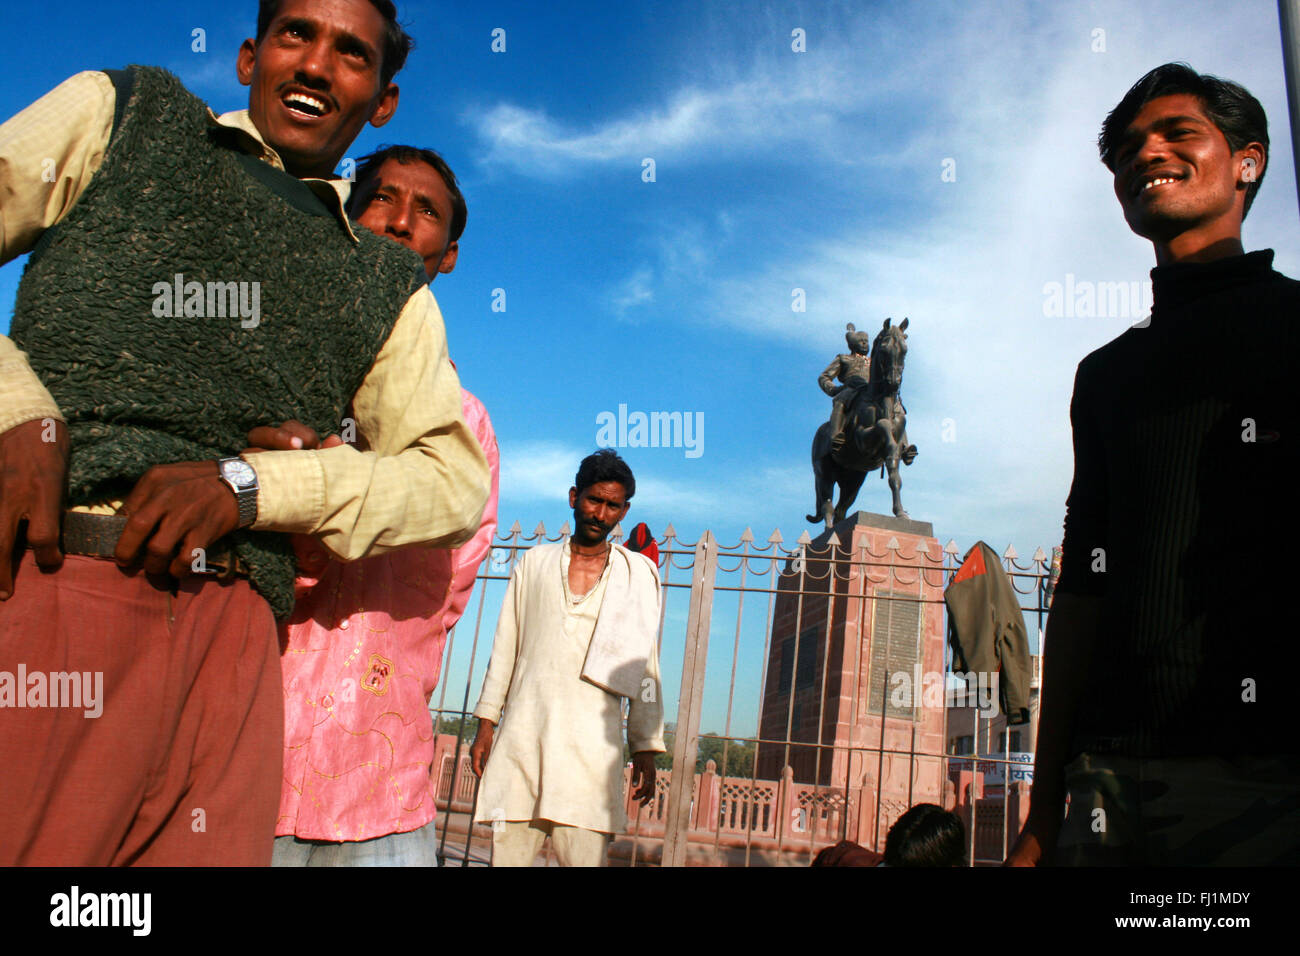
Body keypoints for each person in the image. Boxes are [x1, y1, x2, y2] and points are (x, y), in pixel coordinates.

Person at [0, 0, 489, 866]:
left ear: (381, 101)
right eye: (295, 34)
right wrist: (18, 410)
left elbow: (452, 482)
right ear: (247, 56)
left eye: (351, 54)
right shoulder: (125, 116)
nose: (314, 65)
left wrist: (252, 485)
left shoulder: (383, 283)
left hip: (235, 645)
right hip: (60, 577)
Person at [1006, 63, 1299, 866]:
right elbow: (1083, 590)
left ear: (1248, 160)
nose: (1147, 154)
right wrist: (1044, 805)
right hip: (1107, 788)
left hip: (1260, 783)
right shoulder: (1107, 376)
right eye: (1130, 147)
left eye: (1177, 133)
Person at [270, 145, 500, 866]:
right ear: (345, 211)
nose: (400, 223)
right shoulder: (276, 373)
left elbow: (450, 587)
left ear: (449, 256)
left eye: (426, 211)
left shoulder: (467, 427)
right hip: (248, 760)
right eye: (382, 199)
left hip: (381, 781)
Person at [468, 450, 666, 867]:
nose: (600, 513)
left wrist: (645, 746)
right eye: (594, 500)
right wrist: (486, 723)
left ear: (624, 511)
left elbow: (645, 666)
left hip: (591, 758)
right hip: (523, 742)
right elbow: (506, 644)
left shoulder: (636, 576)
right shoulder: (534, 564)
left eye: (613, 506)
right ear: (574, 496)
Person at [819, 323, 872, 451]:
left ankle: (903, 447)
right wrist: (836, 389)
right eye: (861, 341)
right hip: (852, 389)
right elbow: (824, 377)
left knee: (894, 406)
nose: (865, 344)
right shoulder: (844, 359)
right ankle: (835, 435)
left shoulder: (874, 361)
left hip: (870, 390)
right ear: (853, 344)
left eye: (866, 341)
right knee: (840, 402)